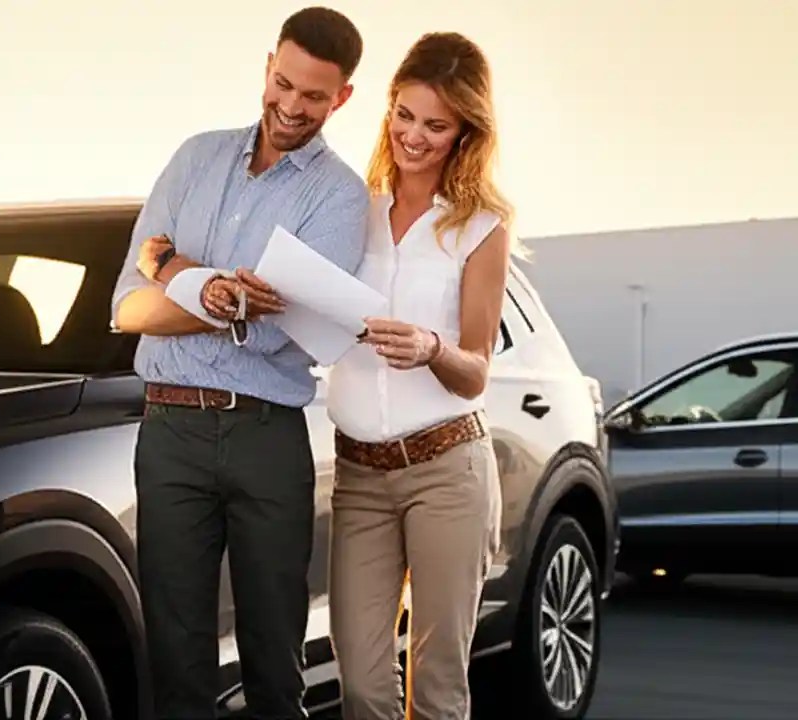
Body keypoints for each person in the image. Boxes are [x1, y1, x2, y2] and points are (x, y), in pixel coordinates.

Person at [110, 7, 368, 719]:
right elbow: (126, 305)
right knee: (176, 654)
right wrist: (221, 291)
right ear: (267, 67)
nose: (290, 106)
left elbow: (282, 320)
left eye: (313, 96)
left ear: (342, 96)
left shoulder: (340, 197)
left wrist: (174, 266)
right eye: (282, 83)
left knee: (274, 660)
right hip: (169, 434)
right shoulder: (195, 158)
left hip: (266, 437)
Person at [324, 31, 522, 720]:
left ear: (466, 131)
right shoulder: (354, 212)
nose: (413, 135)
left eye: (436, 125)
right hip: (359, 478)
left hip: (447, 472)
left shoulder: (480, 228)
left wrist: (432, 347)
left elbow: (474, 373)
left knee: (436, 689)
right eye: (403, 115)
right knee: (361, 683)